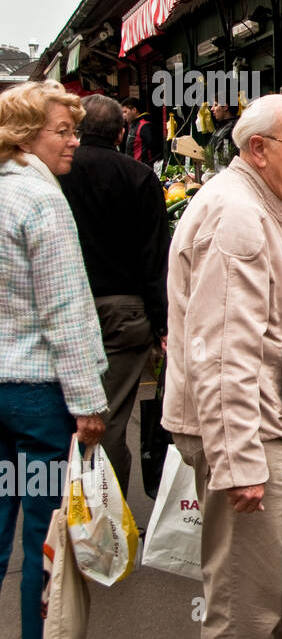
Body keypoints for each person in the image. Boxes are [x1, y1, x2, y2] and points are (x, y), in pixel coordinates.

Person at [165, 93, 282, 639]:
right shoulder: (237, 217)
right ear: (258, 149)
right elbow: (223, 350)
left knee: (261, 592)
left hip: (256, 427)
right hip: (248, 431)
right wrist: (238, 462)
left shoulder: (248, 205)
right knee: (244, 608)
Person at [0, 81, 107, 639]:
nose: (73, 142)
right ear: (24, 135)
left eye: (75, 130)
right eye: (62, 131)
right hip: (38, 396)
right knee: (45, 539)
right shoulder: (41, 201)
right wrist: (88, 400)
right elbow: (65, 309)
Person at [59, 94, 169, 495]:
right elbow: (155, 256)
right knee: (111, 417)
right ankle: (106, 515)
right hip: (127, 313)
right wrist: (163, 322)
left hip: (67, 310)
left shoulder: (55, 175)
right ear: (123, 132)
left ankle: (72, 514)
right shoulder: (139, 176)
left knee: (68, 413)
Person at [121, 97, 157, 165]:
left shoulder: (145, 125)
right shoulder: (132, 125)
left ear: (134, 110)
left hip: (141, 170)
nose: (123, 115)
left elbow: (154, 151)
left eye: (125, 112)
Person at [208, 102, 237, 172]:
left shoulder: (233, 128)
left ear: (225, 107)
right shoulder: (220, 127)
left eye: (215, 105)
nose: (212, 109)